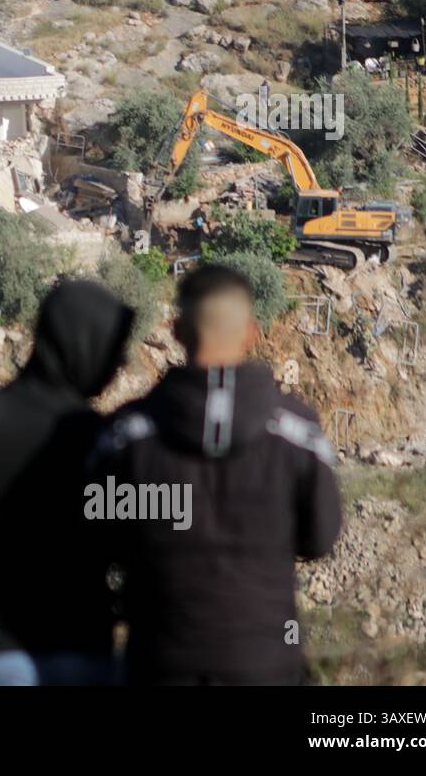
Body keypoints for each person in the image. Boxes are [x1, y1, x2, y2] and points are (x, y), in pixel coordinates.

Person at [90, 264, 342, 685]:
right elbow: (320, 539)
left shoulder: (125, 437)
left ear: (176, 331)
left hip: (159, 663)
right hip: (265, 664)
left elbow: (98, 542)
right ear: (251, 333)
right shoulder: (299, 434)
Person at [0, 280, 135, 686]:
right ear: (86, 346)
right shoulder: (105, 440)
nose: (119, 364)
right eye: (114, 351)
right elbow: (123, 539)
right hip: (80, 645)